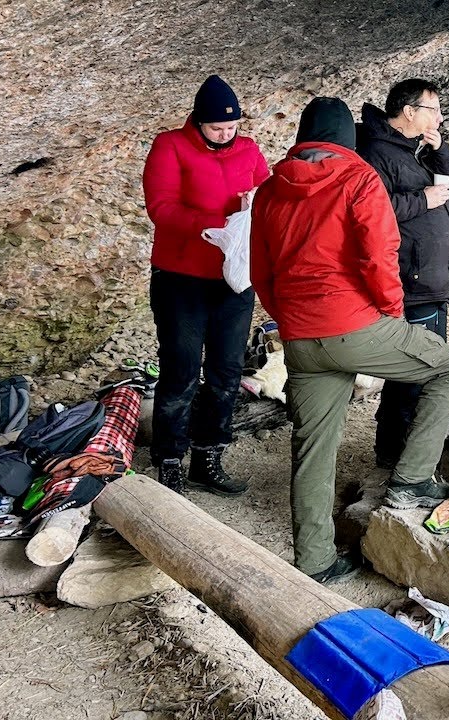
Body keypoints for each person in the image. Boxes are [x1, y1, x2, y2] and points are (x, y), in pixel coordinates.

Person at [249, 97, 449, 583]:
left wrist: (288, 319)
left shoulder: (269, 191)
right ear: (347, 139)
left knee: (313, 448)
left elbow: (259, 270)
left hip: (300, 334)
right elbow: (379, 255)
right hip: (353, 323)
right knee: (448, 367)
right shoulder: (357, 178)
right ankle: (411, 479)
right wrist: (389, 314)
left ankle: (316, 561)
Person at [142, 74, 269, 496]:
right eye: (217, 128)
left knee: (226, 370)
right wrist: (218, 225)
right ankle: (170, 459)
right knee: (180, 369)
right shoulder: (170, 146)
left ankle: (209, 454)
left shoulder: (249, 149)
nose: (226, 134)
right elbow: (161, 207)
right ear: (198, 122)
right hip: (181, 277)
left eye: (232, 127)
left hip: (234, 279)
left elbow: (267, 194)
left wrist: (254, 208)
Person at [356, 78, 449, 469]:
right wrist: (423, 200)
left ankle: (406, 450)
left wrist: (441, 153)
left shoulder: (408, 148)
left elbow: (441, 185)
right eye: (433, 109)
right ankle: (401, 455)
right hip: (411, 279)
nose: (439, 117)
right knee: (417, 370)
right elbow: (373, 211)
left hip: (430, 281)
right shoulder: (376, 151)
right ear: (410, 112)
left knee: (421, 369)